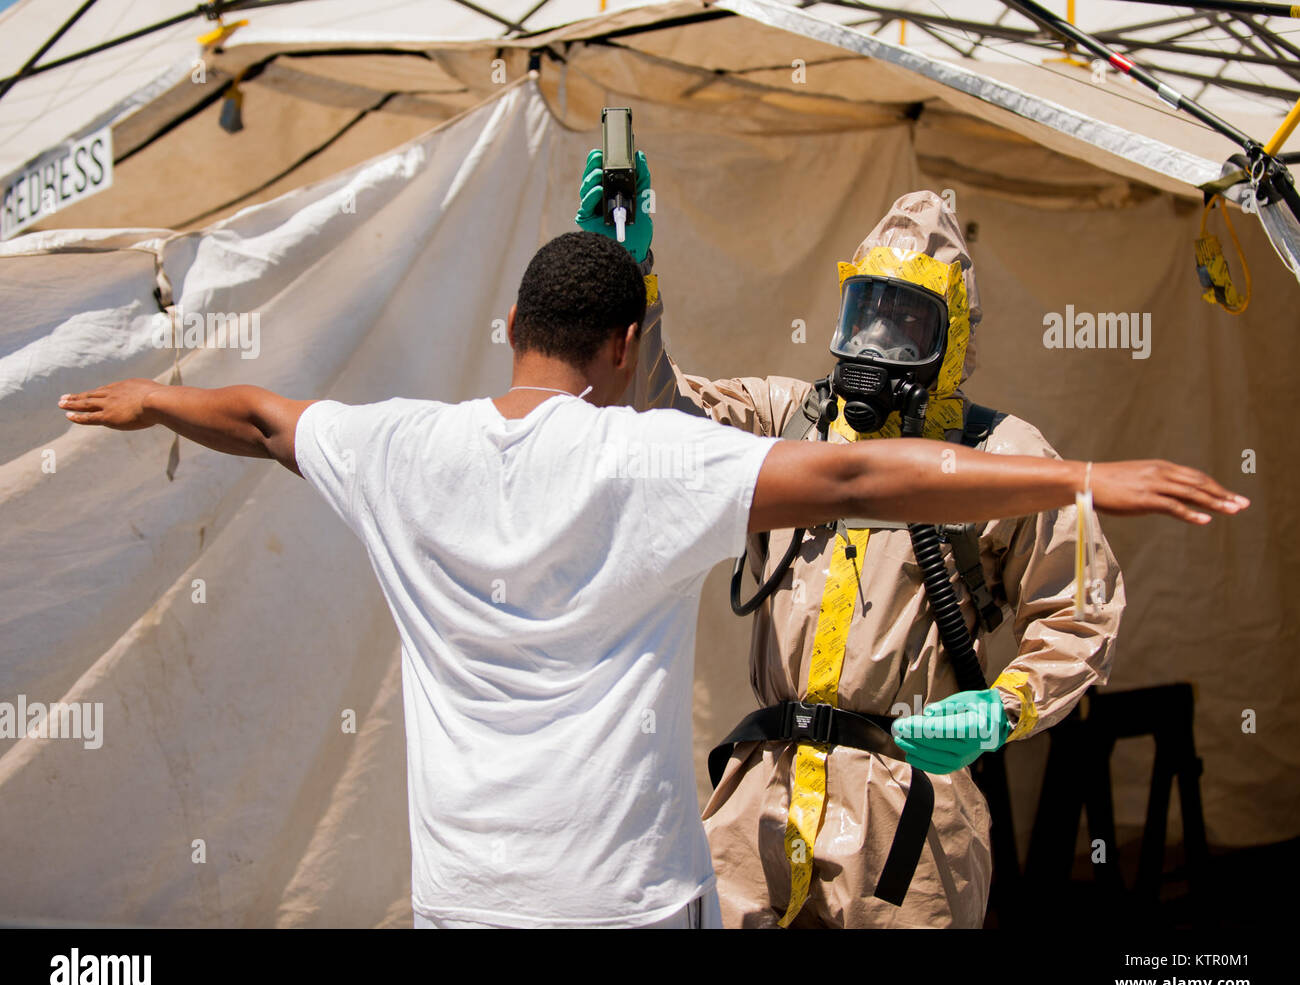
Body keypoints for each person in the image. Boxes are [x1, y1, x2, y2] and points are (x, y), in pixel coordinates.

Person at [58, 231, 1246, 929]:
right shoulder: (671, 456)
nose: (879, 336)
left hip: (504, 893)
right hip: (656, 881)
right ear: (627, 345)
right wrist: (1094, 473)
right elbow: (845, 478)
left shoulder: (395, 446)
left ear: (510, 319)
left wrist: (155, 397)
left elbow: (263, 417)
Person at [576, 155, 1193, 927]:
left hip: (909, 821)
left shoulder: (998, 458)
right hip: (759, 806)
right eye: (864, 310)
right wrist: (626, 278)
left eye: (906, 320)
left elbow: (1082, 607)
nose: (875, 337)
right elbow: (658, 421)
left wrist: (1003, 708)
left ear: (950, 336)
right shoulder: (790, 423)